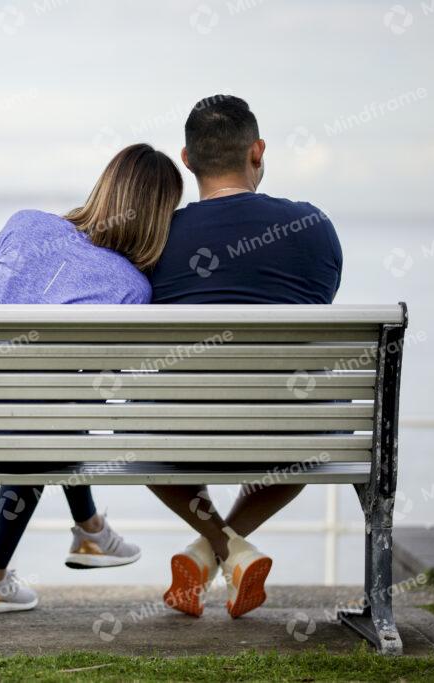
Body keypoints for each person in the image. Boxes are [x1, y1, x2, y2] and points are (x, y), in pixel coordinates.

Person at [0, 143, 185, 614]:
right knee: (54, 414)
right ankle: (75, 539)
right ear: (159, 217)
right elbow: (95, 394)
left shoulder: (25, 224)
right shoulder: (131, 287)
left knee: (44, 411)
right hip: (27, 439)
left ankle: (81, 537)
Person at [147, 95, 343, 619]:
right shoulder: (312, 227)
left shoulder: (157, 234)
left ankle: (218, 549)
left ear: (186, 160)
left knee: (139, 432)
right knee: (313, 440)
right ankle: (227, 549)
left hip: (182, 434)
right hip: (287, 432)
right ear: (257, 151)